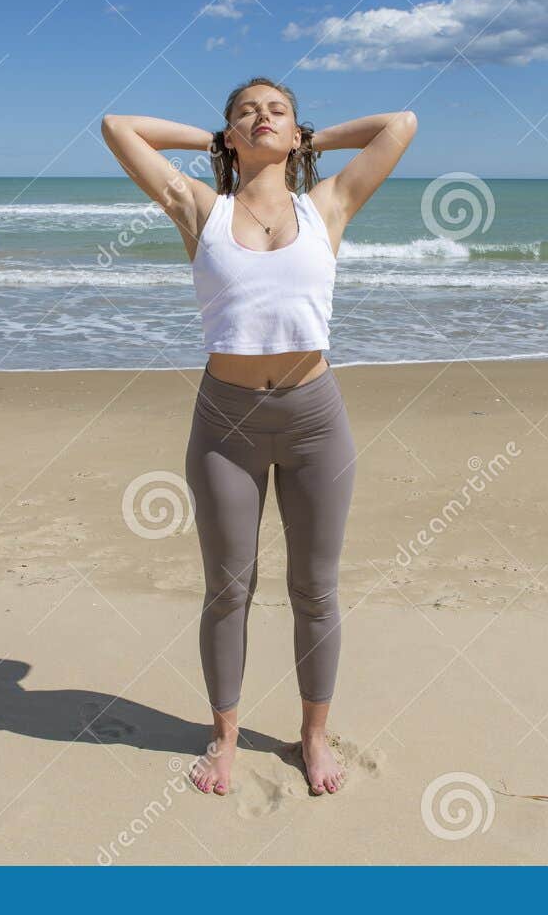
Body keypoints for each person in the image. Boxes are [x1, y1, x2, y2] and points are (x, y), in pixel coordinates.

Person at [100, 77, 418, 796]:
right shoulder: (200, 208)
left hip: (314, 420)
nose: (261, 117)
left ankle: (313, 735)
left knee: (315, 588)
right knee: (227, 587)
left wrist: (313, 138)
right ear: (230, 135)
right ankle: (225, 737)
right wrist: (211, 140)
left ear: (296, 131)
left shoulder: (328, 203)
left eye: (277, 110)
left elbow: (399, 122)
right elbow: (119, 126)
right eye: (246, 112)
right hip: (225, 424)